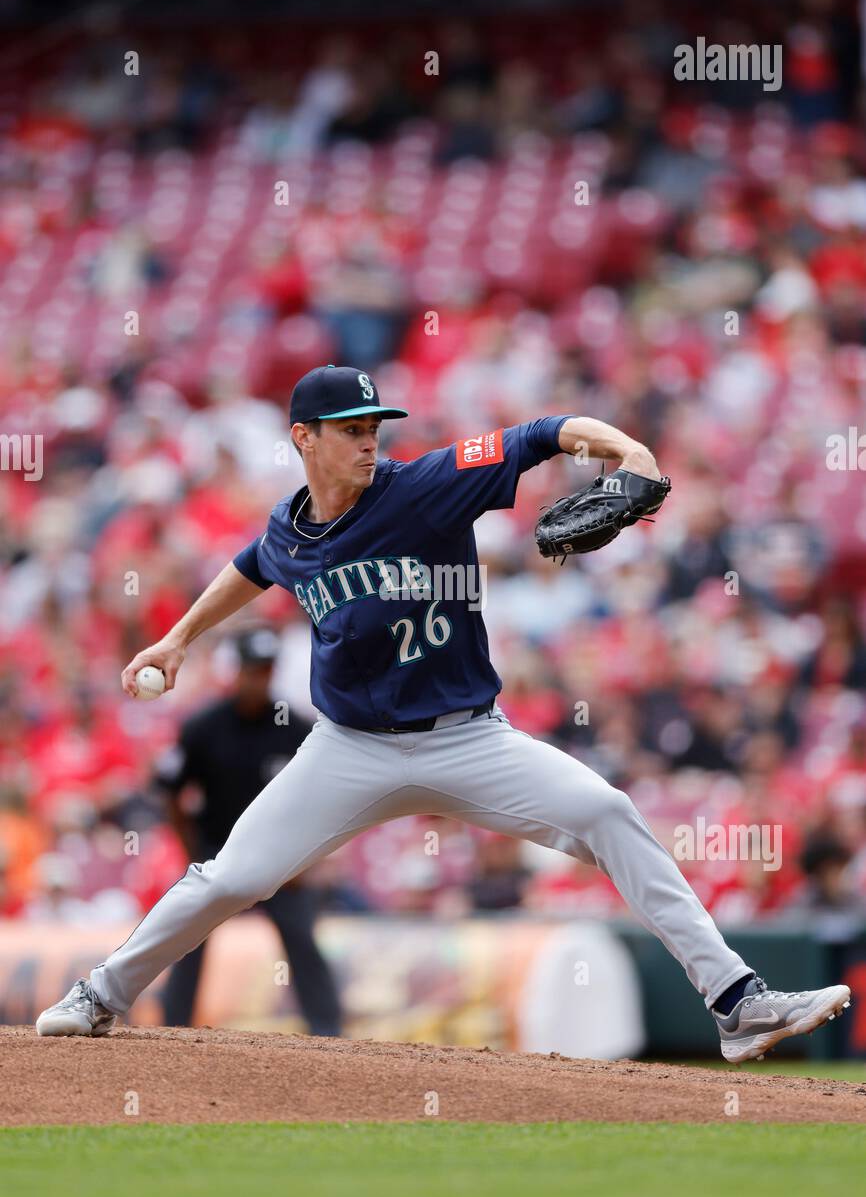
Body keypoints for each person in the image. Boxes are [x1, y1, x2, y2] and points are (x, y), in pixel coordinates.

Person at [37, 365, 852, 1062]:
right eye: (349, 427)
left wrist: (629, 452)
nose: (368, 438)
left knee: (607, 810)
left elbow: (545, 430)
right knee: (232, 878)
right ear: (302, 439)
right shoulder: (292, 528)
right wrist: (179, 638)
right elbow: (252, 565)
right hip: (347, 748)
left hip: (468, 739)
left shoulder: (424, 487)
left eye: (374, 424)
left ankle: (737, 1003)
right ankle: (101, 993)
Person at [154, 626, 341, 1035]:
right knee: (185, 939)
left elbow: (318, 797)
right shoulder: (204, 726)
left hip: (277, 861)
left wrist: (300, 860)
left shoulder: (294, 727)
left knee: (303, 940)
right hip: (217, 855)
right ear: (236, 670)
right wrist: (192, 850)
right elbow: (169, 790)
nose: (259, 678)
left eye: (266, 669)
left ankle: (330, 1034)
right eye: (252, 669)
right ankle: (170, 1030)